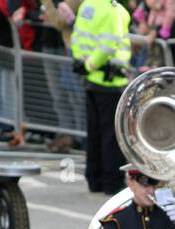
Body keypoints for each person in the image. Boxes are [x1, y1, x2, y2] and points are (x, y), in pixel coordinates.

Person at [70, 0, 131, 195]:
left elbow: (76, 38)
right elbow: (108, 44)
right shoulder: (114, 11)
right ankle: (112, 181)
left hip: (90, 79)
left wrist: (82, 63)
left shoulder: (87, 5)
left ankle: (94, 178)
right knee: (111, 135)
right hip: (109, 80)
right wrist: (91, 65)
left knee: (94, 132)